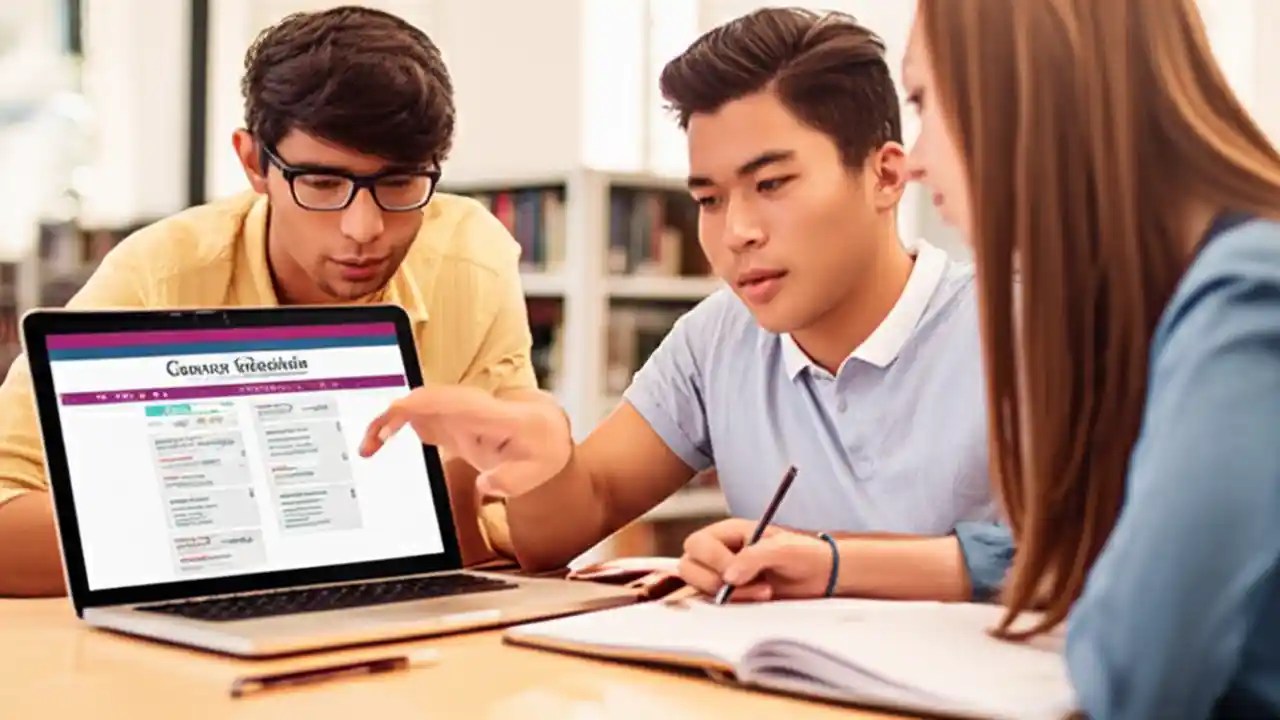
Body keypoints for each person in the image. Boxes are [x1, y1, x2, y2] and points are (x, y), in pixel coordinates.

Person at [706, 0, 1280, 716]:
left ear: (1022, 89)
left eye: (921, 100)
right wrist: (837, 563)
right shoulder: (1180, 297)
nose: (912, 161)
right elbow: (1083, 561)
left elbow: (1134, 672)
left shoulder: (1250, 296)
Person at [361, 8, 1013, 604]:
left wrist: (837, 563)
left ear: (886, 176)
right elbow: (580, 514)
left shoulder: (1013, 325)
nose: (736, 232)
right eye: (709, 200)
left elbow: (1079, 558)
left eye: (771, 184)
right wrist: (535, 460)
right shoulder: (716, 338)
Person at [0, 6, 550, 597]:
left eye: (399, 184)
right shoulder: (159, 272)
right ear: (253, 162)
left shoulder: (471, 255)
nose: (362, 228)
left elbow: (513, 532)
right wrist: (237, 531)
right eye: (321, 183)